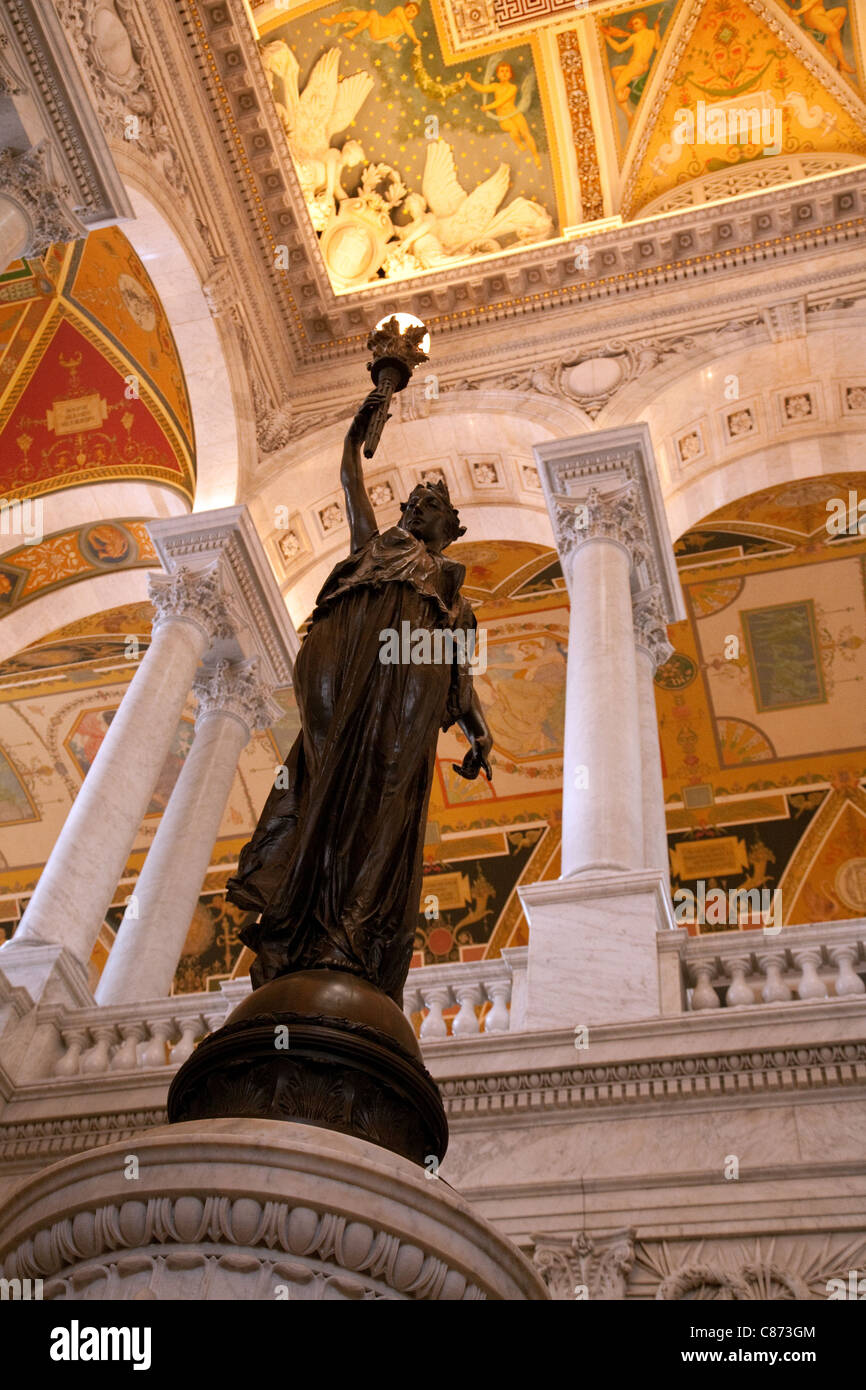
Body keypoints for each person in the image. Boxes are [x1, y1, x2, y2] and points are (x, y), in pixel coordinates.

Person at [227, 388, 493, 1004]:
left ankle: (352, 932)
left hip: (411, 691)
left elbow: (461, 677)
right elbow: (352, 483)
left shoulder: (455, 601)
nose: (418, 504)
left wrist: (479, 731)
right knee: (327, 779)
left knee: (386, 799)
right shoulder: (375, 547)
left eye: (430, 506)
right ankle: (308, 916)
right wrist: (357, 432)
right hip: (349, 678)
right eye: (416, 499)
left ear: (445, 530)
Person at [465, 63, 541, 166]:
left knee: (526, 133)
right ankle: (518, 142)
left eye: (507, 71)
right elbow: (482, 88)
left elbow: (501, 101)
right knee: (513, 130)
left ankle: (535, 156)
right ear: (498, 75)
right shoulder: (495, 86)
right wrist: (470, 81)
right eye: (502, 71)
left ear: (510, 74)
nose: (504, 73)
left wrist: (488, 107)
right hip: (503, 117)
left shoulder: (512, 88)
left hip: (514, 113)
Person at [601, 12, 661, 124]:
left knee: (618, 93)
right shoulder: (653, 33)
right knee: (614, 70)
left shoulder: (635, 36)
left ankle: (629, 111)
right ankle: (626, 87)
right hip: (645, 66)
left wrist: (607, 36)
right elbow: (658, 47)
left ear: (644, 22)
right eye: (633, 25)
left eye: (636, 23)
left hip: (635, 66)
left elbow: (619, 48)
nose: (635, 26)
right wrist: (657, 30)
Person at [319, 3, 422, 51]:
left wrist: (414, 39)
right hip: (377, 21)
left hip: (377, 33)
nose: (410, 10)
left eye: (413, 11)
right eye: (410, 8)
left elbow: (391, 37)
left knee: (372, 13)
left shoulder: (406, 27)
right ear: (406, 6)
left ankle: (353, 32)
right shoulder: (399, 10)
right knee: (353, 14)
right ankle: (331, 21)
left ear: (414, 17)